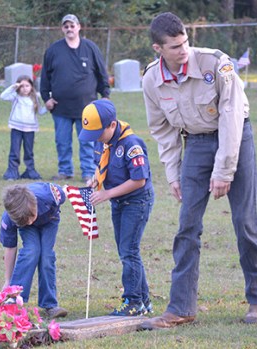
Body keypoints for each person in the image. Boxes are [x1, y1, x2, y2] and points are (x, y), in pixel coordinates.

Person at [141, 12, 257, 330]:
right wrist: (173, 174)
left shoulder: (216, 63)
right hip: (196, 146)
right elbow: (162, 131)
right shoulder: (151, 81)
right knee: (187, 227)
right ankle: (181, 307)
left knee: (245, 222)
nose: (183, 49)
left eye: (185, 41)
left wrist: (225, 170)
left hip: (237, 137)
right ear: (158, 49)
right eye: (174, 46)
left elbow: (230, 116)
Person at [78, 99, 154, 316]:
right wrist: (95, 179)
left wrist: (107, 194)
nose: (96, 140)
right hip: (119, 202)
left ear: (112, 125)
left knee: (129, 251)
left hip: (137, 201)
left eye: (98, 134)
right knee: (126, 251)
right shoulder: (101, 140)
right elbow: (101, 164)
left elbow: (139, 180)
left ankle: (132, 301)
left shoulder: (132, 145)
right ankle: (144, 301)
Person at [40, 14, 111, 182]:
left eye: (72, 26)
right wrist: (46, 98)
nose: (69, 29)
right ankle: (65, 170)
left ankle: (88, 171)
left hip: (87, 107)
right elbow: (45, 77)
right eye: (66, 26)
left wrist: (105, 94)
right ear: (62, 29)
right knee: (62, 142)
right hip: (60, 107)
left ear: (79, 27)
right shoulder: (53, 50)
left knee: (88, 142)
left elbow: (101, 73)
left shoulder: (90, 48)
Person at [0, 182, 68, 319]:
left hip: (50, 219)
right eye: (26, 220)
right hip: (25, 223)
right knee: (31, 251)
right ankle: (15, 298)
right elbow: (10, 249)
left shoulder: (51, 195)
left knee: (46, 256)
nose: (30, 222)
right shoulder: (11, 219)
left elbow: (65, 191)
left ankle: (50, 304)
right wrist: (8, 280)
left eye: (31, 217)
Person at [0, 75, 47, 181]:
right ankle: (12, 172)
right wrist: (14, 87)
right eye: (22, 86)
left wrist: (48, 107)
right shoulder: (15, 97)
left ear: (31, 87)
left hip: (30, 130)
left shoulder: (34, 99)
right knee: (14, 150)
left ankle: (30, 171)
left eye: (27, 86)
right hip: (16, 128)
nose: (25, 88)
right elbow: (2, 96)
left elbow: (40, 111)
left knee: (29, 151)